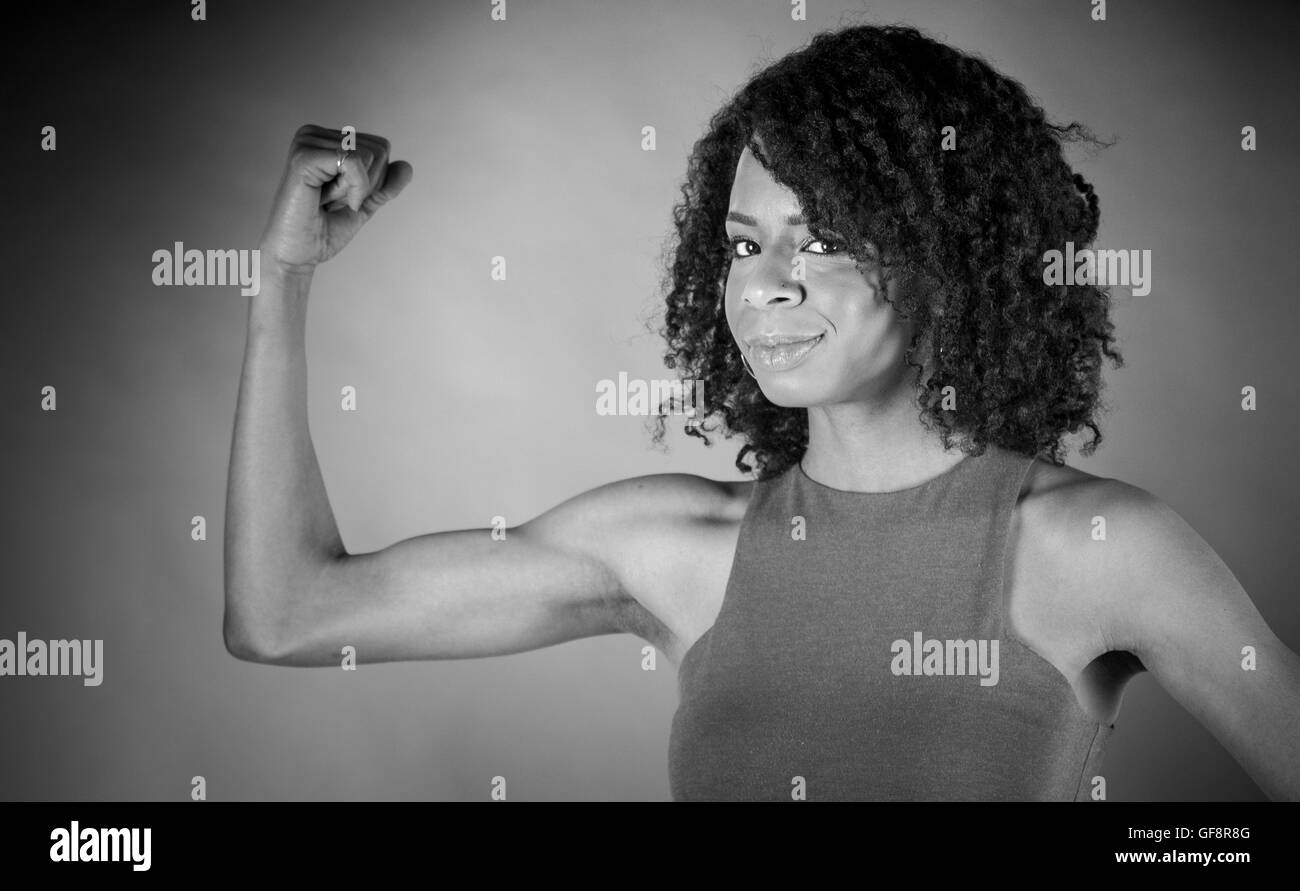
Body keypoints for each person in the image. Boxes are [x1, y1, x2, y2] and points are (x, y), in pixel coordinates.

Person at [223, 23, 1300, 801]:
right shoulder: (672, 546)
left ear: (948, 253)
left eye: (821, 238)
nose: (766, 282)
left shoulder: (1099, 549)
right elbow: (287, 617)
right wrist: (283, 279)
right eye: (744, 243)